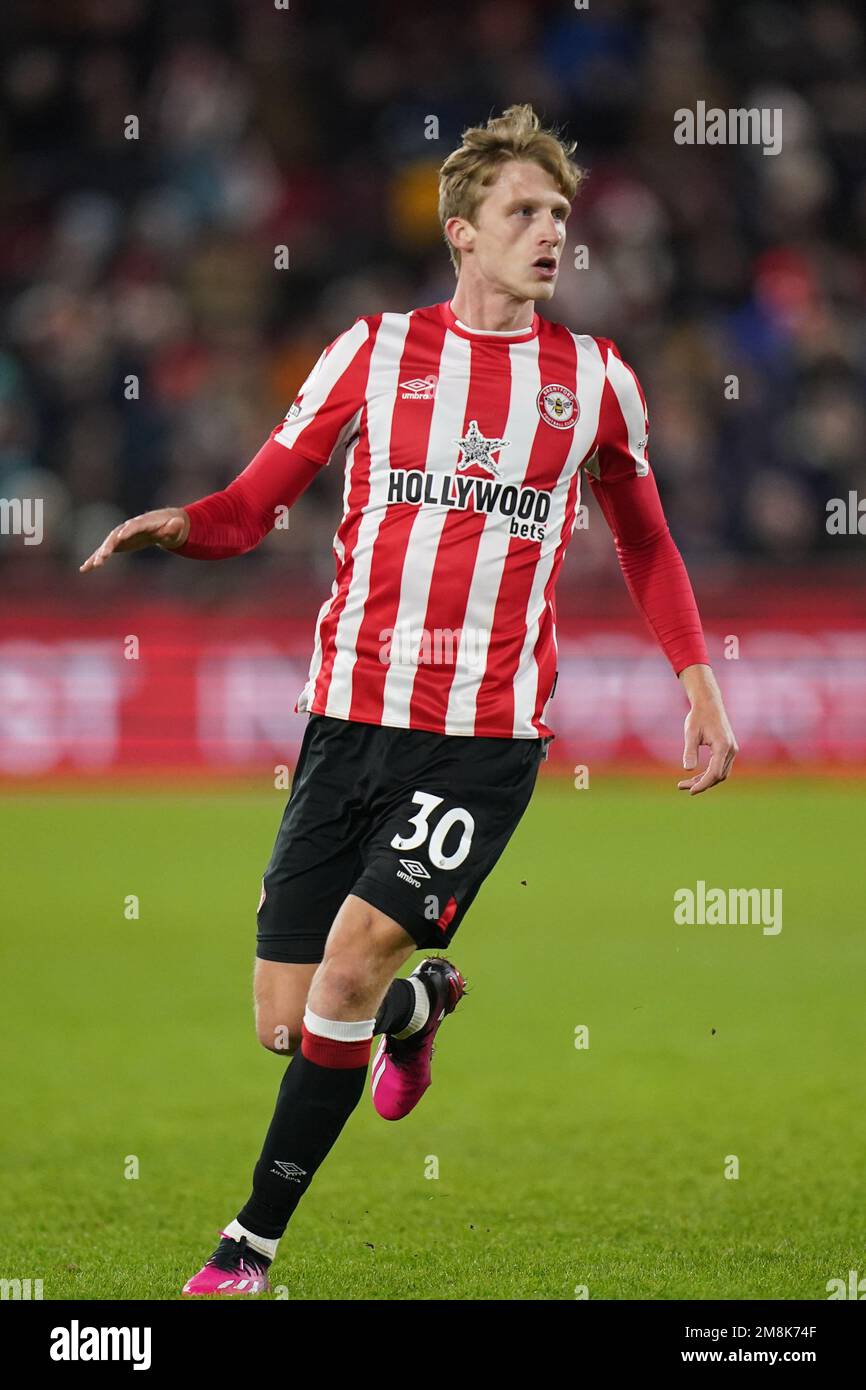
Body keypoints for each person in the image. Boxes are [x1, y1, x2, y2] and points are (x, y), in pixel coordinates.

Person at [81, 105, 738, 1296]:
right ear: (459, 233)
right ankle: (417, 1007)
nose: (549, 235)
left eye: (558, 216)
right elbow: (250, 504)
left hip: (483, 738)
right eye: (522, 214)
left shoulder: (592, 383)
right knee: (291, 1024)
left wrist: (698, 685)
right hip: (347, 718)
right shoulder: (372, 355)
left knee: (343, 967)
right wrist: (183, 526)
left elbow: (645, 541)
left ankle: (248, 1248)